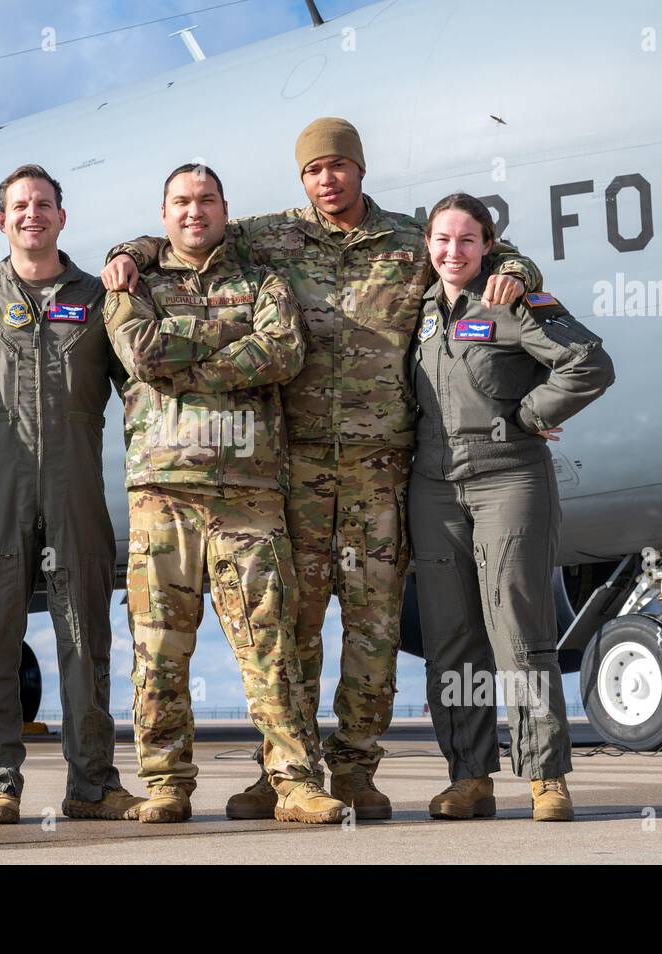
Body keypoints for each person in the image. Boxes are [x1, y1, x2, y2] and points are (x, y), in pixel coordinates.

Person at [103, 118, 543, 820]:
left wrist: (517, 269)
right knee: (289, 630)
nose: (326, 179)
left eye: (338, 166)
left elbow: (480, 249)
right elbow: (189, 236)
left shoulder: (410, 241)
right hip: (294, 470)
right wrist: (129, 250)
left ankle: (358, 771)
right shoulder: (268, 237)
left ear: (360, 171)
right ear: (302, 179)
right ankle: (281, 774)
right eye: (314, 170)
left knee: (373, 633)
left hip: (379, 466)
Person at [106, 163, 347, 824]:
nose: (194, 211)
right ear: (163, 214)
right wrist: (228, 341)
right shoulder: (133, 281)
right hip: (164, 496)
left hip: (249, 494)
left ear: (224, 209)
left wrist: (192, 361)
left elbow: (283, 353)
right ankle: (166, 784)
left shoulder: (262, 281)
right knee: (158, 654)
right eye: (182, 201)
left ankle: (295, 782)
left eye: (206, 200)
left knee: (271, 648)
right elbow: (142, 354)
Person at [409, 192, 614, 822]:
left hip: (507, 477)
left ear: (488, 246)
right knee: (450, 641)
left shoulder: (513, 301)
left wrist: (528, 416)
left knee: (519, 633)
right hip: (434, 486)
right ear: (428, 246)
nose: (453, 251)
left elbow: (588, 363)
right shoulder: (415, 311)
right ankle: (470, 777)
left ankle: (546, 776)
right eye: (442, 240)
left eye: (466, 240)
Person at [0, 165, 145, 823]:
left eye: (43, 204)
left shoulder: (97, 297)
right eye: (18, 206)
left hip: (76, 482)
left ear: (63, 216)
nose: (31, 214)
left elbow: (144, 384)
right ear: (1, 221)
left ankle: (92, 784)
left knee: (85, 633)